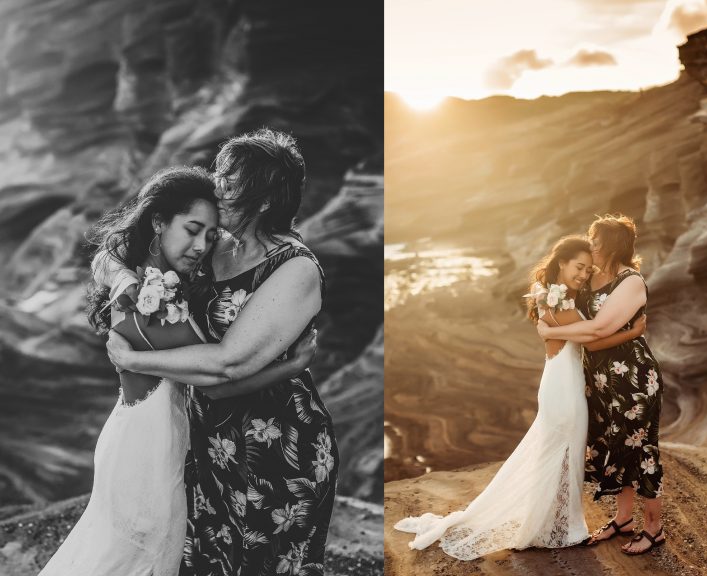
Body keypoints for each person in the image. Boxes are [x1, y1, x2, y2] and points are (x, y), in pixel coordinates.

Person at [38, 166, 315, 576]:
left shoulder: (145, 280)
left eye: (210, 233)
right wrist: (292, 366)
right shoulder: (150, 301)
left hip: (159, 443)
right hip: (145, 453)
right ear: (158, 221)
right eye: (192, 229)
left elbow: (107, 257)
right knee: (134, 561)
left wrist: (117, 274)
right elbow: (218, 379)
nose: (202, 245)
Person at [103, 129, 338, 575]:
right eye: (220, 175)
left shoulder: (295, 268)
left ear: (265, 199)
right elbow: (124, 246)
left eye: (230, 182)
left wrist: (132, 360)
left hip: (277, 448)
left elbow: (229, 361)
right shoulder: (213, 244)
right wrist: (122, 278)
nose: (218, 187)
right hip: (209, 442)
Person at [394, 236, 645, 559]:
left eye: (588, 269)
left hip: (561, 381)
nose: (584, 274)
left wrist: (557, 330)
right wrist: (633, 333)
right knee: (563, 454)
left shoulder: (555, 295)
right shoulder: (557, 301)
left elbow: (584, 334)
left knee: (559, 455)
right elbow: (595, 339)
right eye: (579, 267)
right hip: (563, 387)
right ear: (561, 263)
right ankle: (557, 528)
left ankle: (553, 525)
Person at [537, 215, 665, 555]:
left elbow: (595, 332)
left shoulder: (630, 281)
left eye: (595, 240)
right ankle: (623, 520)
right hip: (598, 380)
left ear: (610, 245)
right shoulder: (591, 277)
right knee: (616, 448)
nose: (590, 245)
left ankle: (654, 528)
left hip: (633, 379)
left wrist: (551, 333)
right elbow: (577, 324)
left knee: (641, 449)